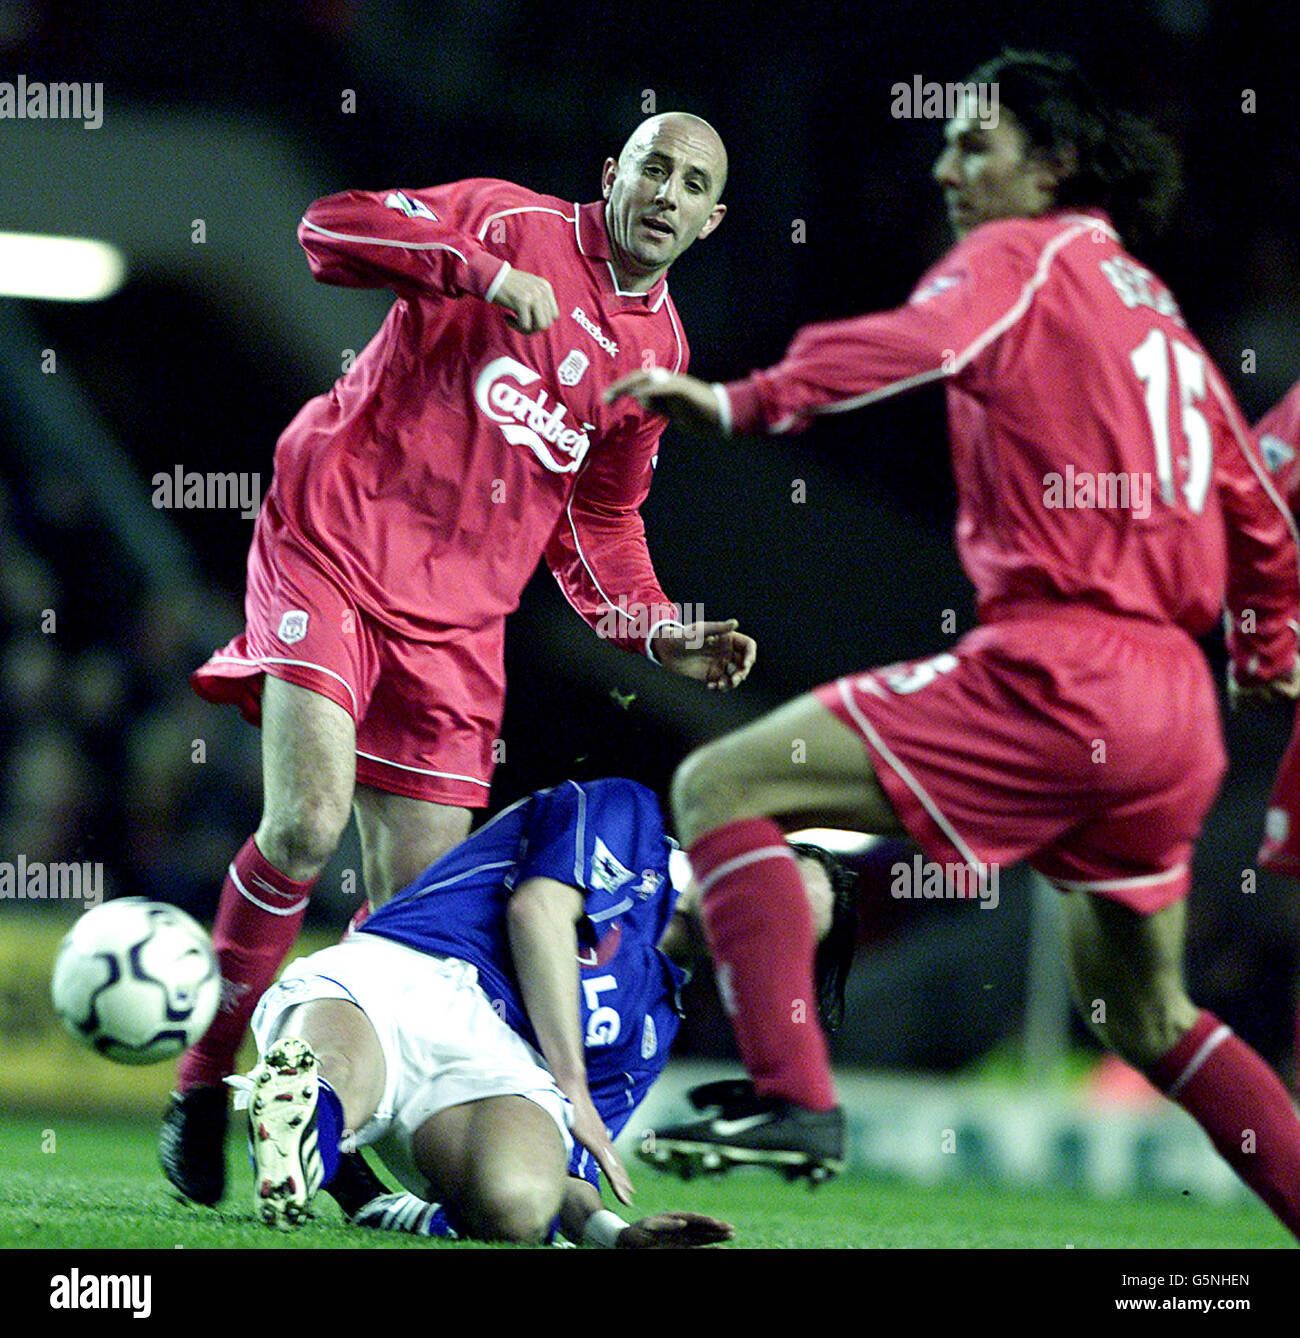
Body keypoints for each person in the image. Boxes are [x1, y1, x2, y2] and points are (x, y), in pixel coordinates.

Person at [606, 49, 1300, 1239]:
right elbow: (1251, 492)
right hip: (1174, 714)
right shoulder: (1156, 315)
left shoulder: (1015, 260)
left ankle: (793, 1099)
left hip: (1060, 672)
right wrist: (1265, 632)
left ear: (1054, 164)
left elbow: (907, 348)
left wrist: (743, 401)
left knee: (719, 784)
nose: (944, 164)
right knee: (1149, 1018)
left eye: (974, 143)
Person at [161, 112, 757, 1206]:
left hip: (459, 629)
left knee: (413, 940)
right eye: (652, 168)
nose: (665, 193)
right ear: (610, 173)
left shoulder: (660, 354)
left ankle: (330, 1141)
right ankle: (204, 1082)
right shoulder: (508, 221)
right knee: (305, 823)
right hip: (333, 544)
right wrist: (475, 273)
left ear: (711, 221)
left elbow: (599, 522)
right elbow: (326, 230)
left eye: (692, 185)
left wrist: (658, 625)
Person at [233, 776, 856, 1245]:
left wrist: (615, 1234)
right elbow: (537, 911)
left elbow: (576, 1170)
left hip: (499, 1074)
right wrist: (573, 1082)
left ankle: (362, 1186)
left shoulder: (656, 1023)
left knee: (523, 1206)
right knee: (331, 1073)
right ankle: (309, 1129)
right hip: (407, 969)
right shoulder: (629, 815)